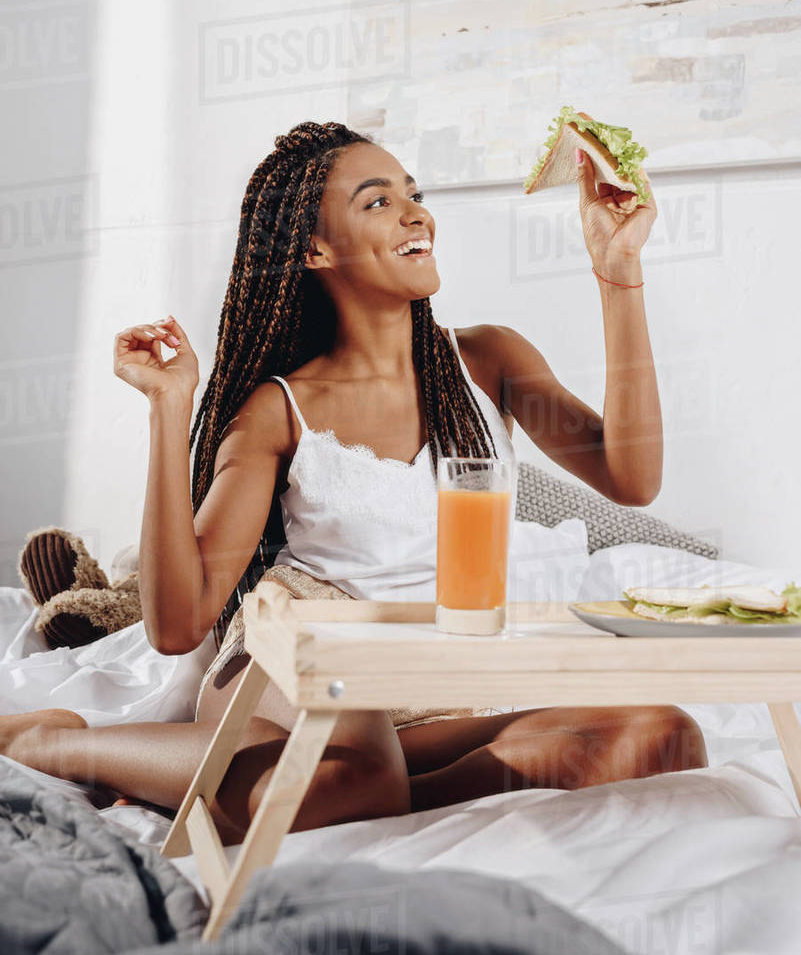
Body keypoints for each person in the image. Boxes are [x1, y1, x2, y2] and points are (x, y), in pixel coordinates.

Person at [1, 121, 706, 842]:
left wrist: (616, 266)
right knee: (360, 774)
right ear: (315, 249)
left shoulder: (488, 360)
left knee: (664, 735)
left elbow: (631, 477)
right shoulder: (279, 409)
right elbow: (179, 626)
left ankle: (304, 790)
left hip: (432, 677)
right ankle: (54, 744)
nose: (415, 214)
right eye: (377, 202)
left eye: (414, 195)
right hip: (303, 646)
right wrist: (169, 404)